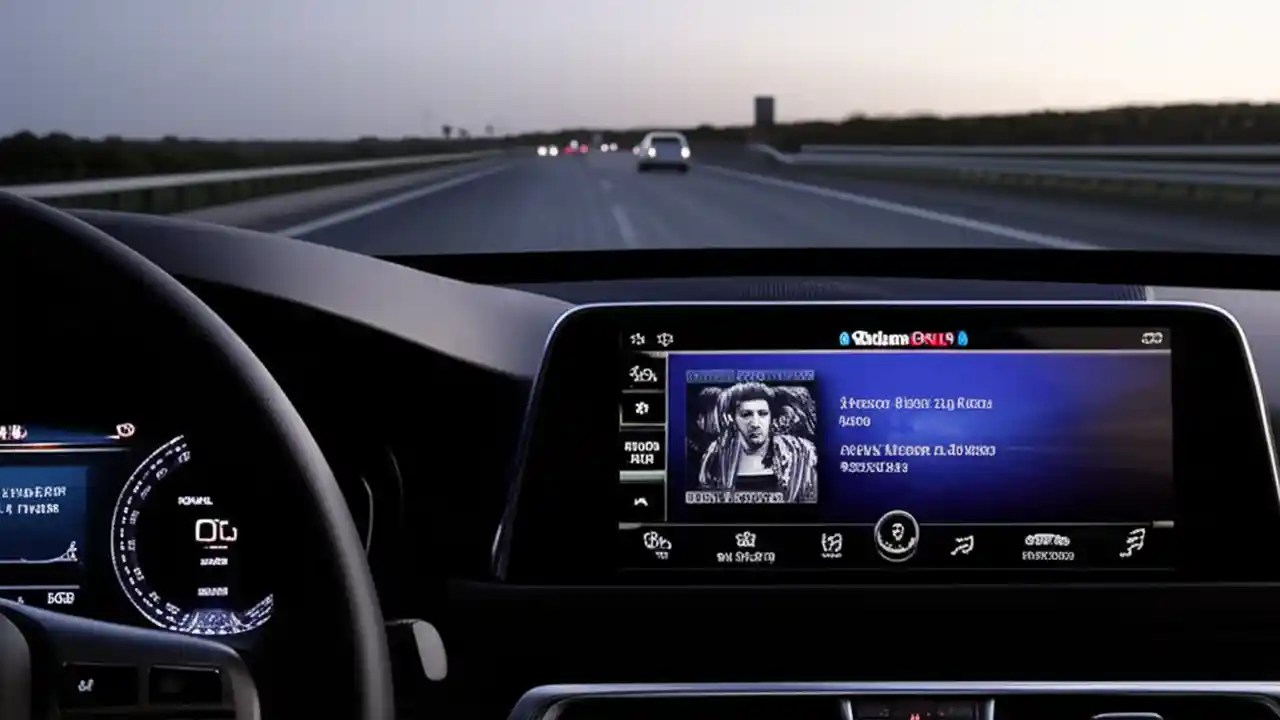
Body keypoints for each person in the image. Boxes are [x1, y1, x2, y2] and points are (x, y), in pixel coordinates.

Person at [697, 382, 818, 502]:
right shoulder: (715, 458)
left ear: (771, 417)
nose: (755, 423)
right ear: (731, 418)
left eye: (763, 414)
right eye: (746, 415)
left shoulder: (799, 456)